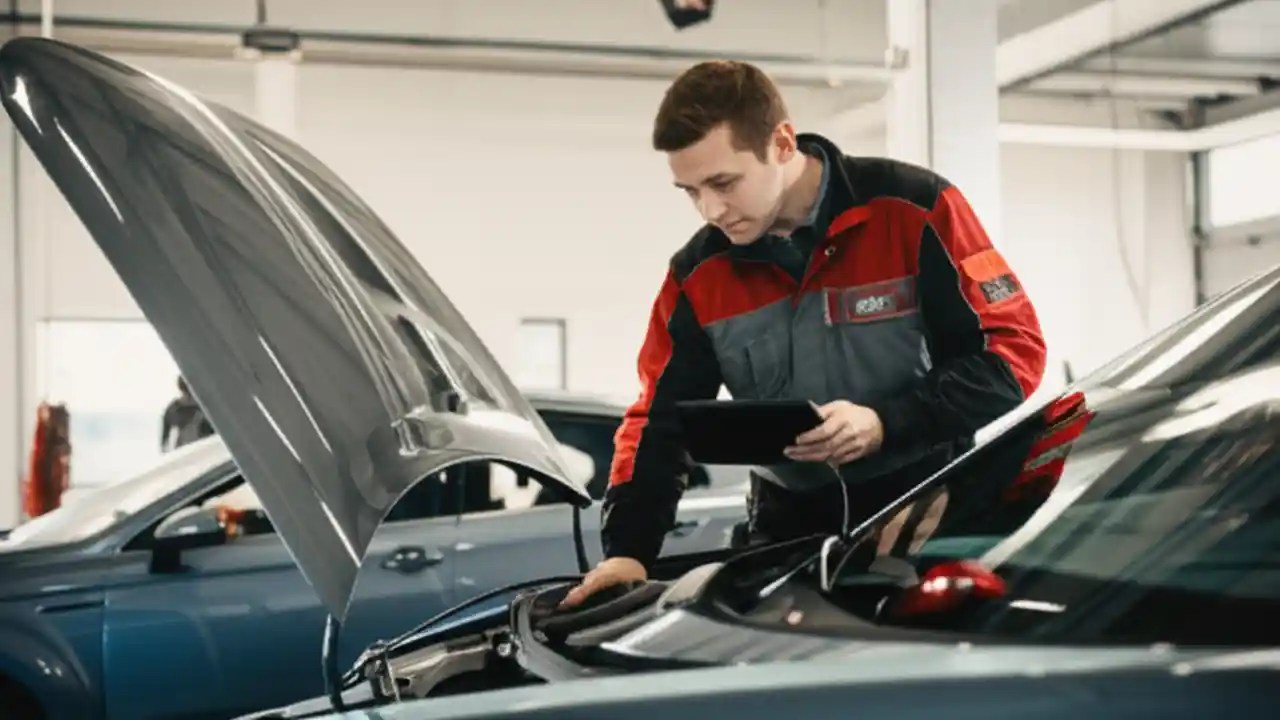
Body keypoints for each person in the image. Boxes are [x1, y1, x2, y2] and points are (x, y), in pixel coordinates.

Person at [561, 60, 1046, 608]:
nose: (710, 210)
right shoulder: (697, 275)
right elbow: (657, 420)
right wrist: (629, 551)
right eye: (690, 190)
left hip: (929, 521)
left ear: (783, 143)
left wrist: (886, 423)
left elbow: (1014, 355)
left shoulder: (913, 210)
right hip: (785, 539)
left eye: (724, 183)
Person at [161, 376, 215, 452]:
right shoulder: (175, 408)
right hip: (186, 448)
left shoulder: (204, 406)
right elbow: (165, 436)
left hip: (204, 446)